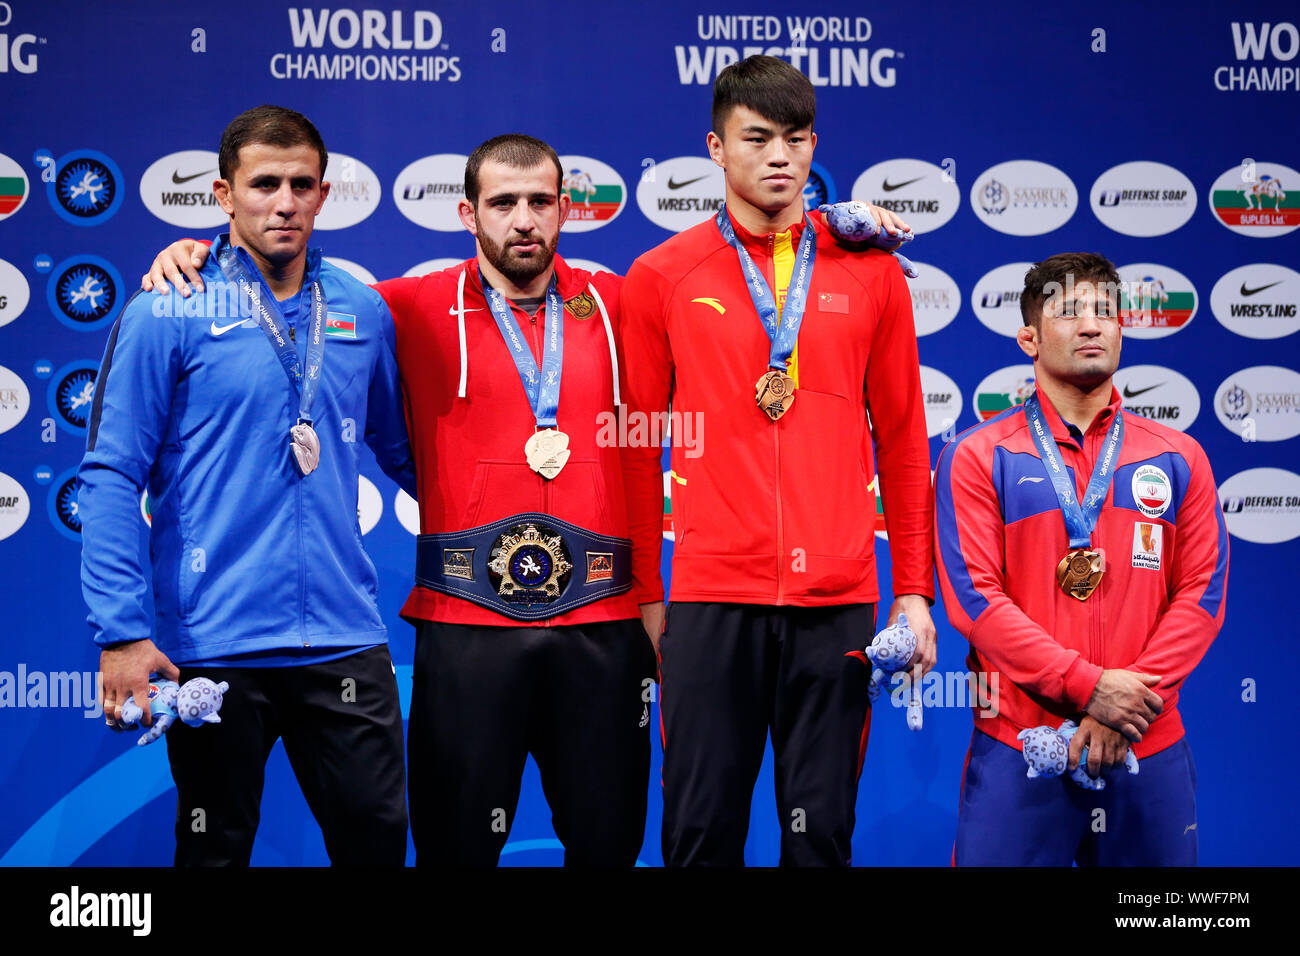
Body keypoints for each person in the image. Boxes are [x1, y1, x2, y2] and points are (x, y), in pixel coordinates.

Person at [144, 133, 911, 867]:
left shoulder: (626, 297)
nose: (523, 219)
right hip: (467, 630)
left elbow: (740, 281)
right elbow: (298, 293)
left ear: (566, 209)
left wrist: (834, 226)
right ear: (466, 213)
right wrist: (203, 255)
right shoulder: (399, 306)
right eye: (503, 202)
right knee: (454, 850)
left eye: (541, 201)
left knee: (608, 846)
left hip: (604, 631)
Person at [618, 55, 938, 866]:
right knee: (699, 835)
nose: (779, 157)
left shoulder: (871, 274)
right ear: (716, 149)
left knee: (821, 836)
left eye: (795, 139)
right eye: (756, 138)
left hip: (835, 599)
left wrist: (914, 593)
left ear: (813, 146)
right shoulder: (661, 276)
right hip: (707, 601)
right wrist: (648, 598)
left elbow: (903, 442)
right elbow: (633, 445)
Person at [80, 105, 416, 866]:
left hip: (343, 639)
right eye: (264, 184)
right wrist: (122, 632)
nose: (285, 201)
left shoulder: (361, 309)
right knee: (214, 854)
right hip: (213, 645)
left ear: (325, 195)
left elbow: (410, 455)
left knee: (379, 848)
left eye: (302, 184)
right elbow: (110, 474)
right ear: (224, 195)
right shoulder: (168, 305)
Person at [933, 252, 1229, 865]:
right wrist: (1091, 688)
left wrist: (1125, 711)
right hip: (1021, 747)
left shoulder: (1180, 457)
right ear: (1029, 338)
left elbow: (1201, 597)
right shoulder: (978, 456)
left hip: (1146, 743)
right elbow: (974, 600)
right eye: (1069, 312)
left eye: (1105, 311)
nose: (1092, 325)